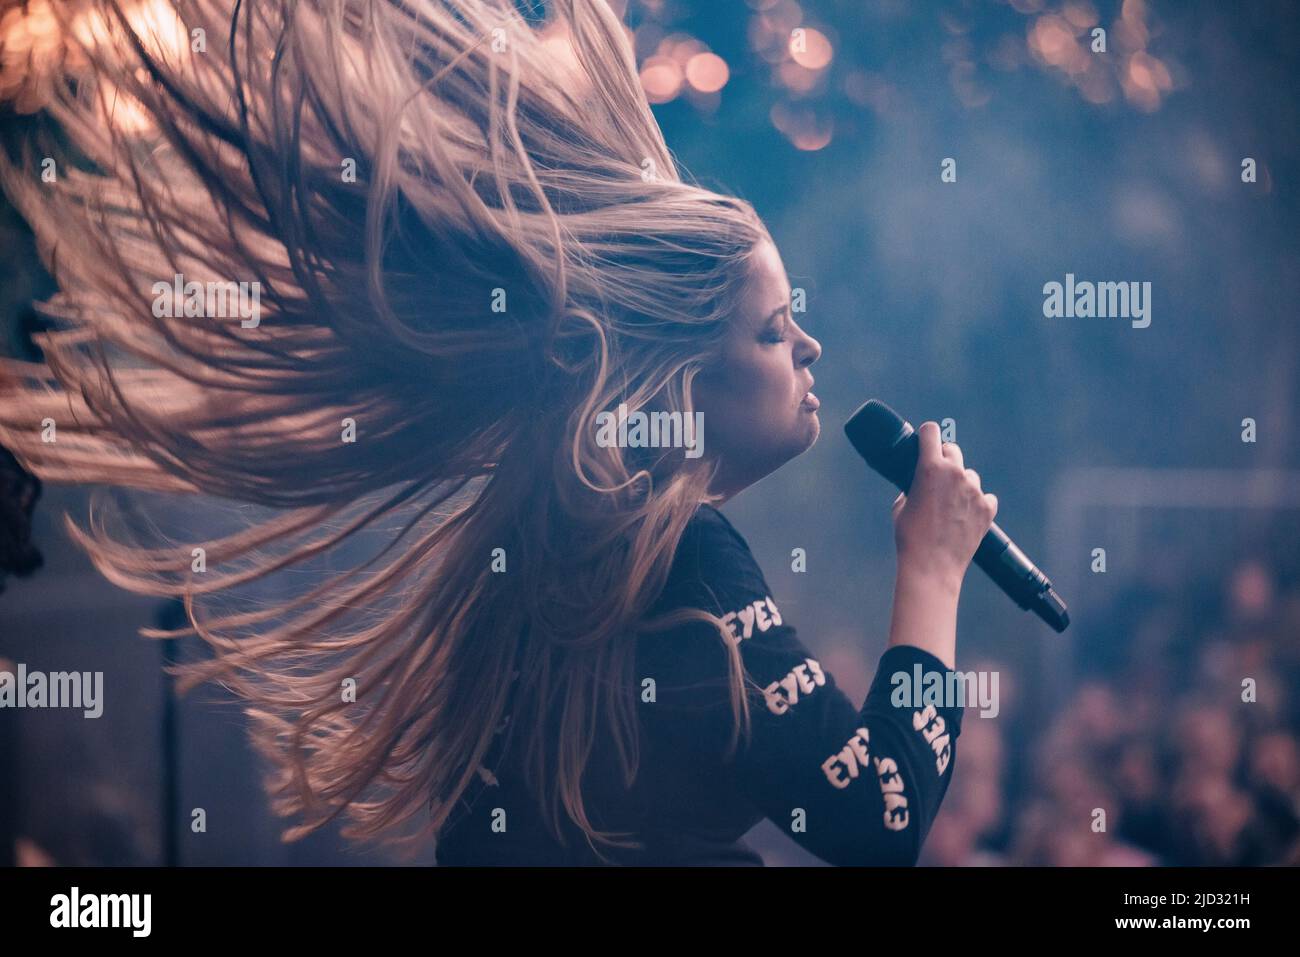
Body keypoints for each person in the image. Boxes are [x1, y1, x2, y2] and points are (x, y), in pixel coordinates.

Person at [0, 0, 995, 865]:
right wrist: (935, 568)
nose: (810, 347)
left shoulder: (554, 548)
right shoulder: (686, 559)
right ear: (678, 378)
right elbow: (876, 819)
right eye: (775, 331)